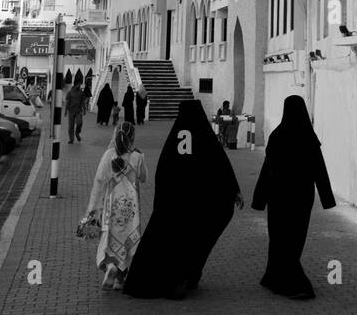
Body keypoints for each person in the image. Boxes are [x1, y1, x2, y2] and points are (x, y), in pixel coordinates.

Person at [124, 99, 243, 300]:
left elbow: (163, 170)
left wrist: (160, 201)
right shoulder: (204, 136)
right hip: (198, 203)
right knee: (194, 239)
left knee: (170, 242)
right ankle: (186, 276)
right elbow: (220, 165)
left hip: (174, 204)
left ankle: (166, 280)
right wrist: (234, 190)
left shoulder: (174, 138)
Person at [251, 95, 335, 300]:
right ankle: (289, 281)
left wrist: (259, 199)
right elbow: (319, 169)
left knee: (279, 237)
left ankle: (282, 280)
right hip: (301, 197)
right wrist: (327, 199)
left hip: (278, 197)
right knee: (295, 238)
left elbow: (267, 169)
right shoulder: (309, 136)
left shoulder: (278, 135)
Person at [81, 121, 148, 291]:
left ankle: (110, 266)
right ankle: (120, 278)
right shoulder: (137, 156)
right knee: (128, 240)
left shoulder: (108, 155)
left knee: (108, 237)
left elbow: (99, 180)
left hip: (112, 205)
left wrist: (93, 207)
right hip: (131, 209)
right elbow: (143, 178)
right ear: (132, 137)